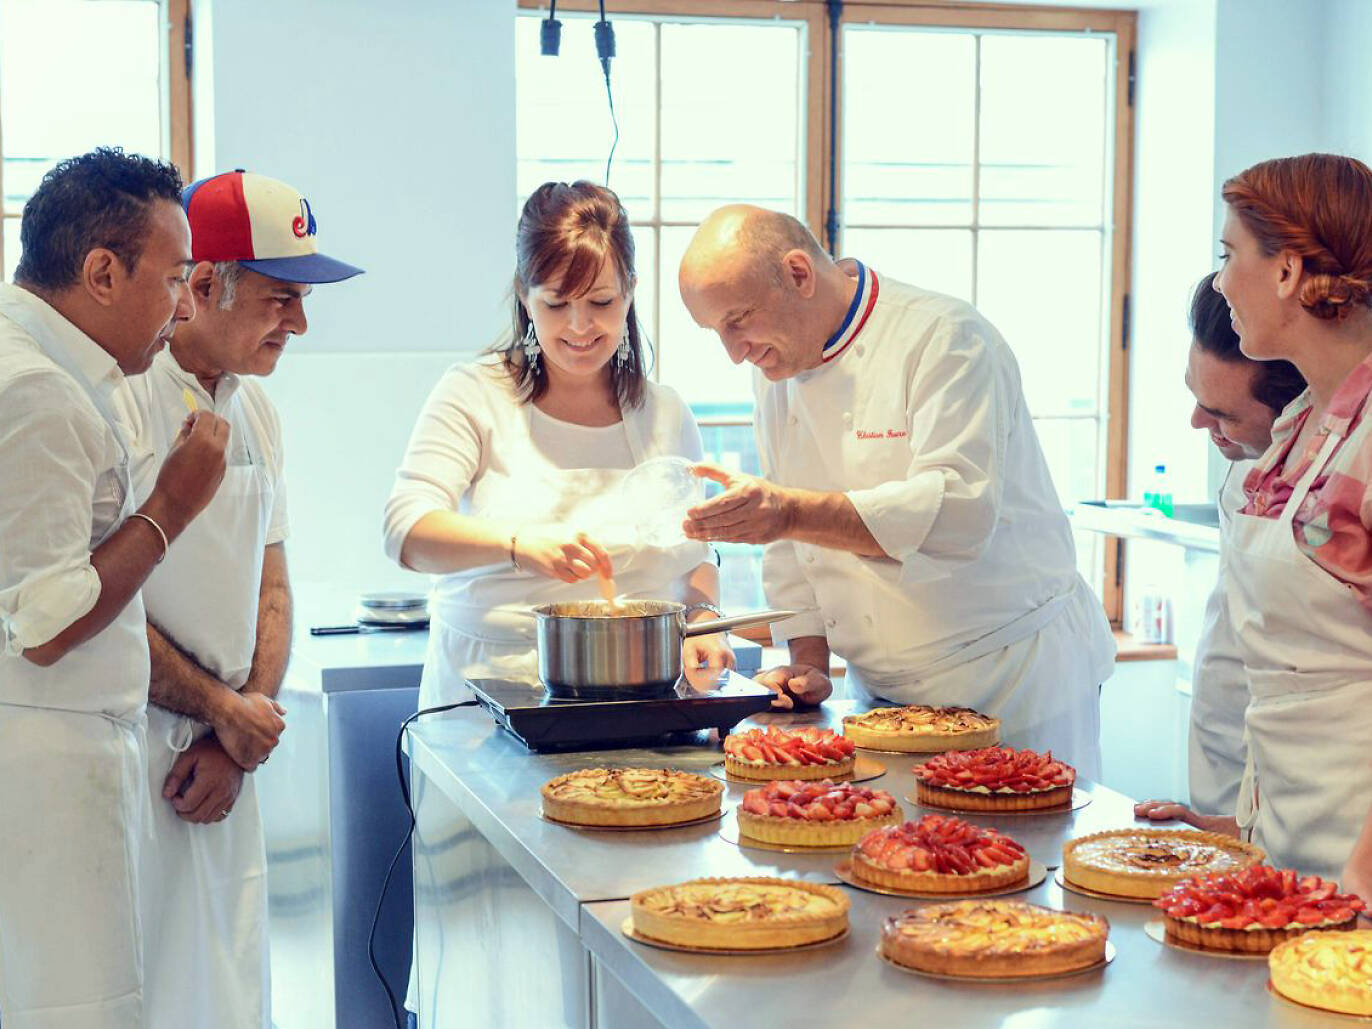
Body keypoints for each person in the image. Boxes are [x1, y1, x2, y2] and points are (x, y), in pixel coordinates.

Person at [677, 206, 1116, 777]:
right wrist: (809, 662)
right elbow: (793, 550)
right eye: (716, 332)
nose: (735, 352)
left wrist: (786, 512)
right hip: (884, 697)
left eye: (739, 320)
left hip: (1009, 673)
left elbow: (958, 512)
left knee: (1023, 831)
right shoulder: (776, 375)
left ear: (799, 274)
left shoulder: (945, 338)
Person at [113, 170, 363, 1028]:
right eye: (281, 298)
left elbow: (274, 584)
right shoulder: (125, 402)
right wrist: (223, 710)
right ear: (204, 282)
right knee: (141, 990)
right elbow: (102, 599)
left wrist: (240, 729)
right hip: (137, 755)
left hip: (225, 760)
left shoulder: (257, 413)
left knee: (229, 993)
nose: (299, 323)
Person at [0, 148, 227, 1028]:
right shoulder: (40, 393)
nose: (183, 306)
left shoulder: (39, 361)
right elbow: (45, 624)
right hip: (44, 763)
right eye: (173, 279)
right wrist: (173, 505)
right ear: (102, 273)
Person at [384, 180, 734, 707]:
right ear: (525, 297)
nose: (580, 326)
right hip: (486, 689)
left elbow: (692, 555)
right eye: (555, 303)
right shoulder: (475, 394)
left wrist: (705, 621)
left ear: (630, 291)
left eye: (601, 301)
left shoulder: (664, 413)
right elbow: (406, 533)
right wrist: (517, 543)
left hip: (639, 691)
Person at [1189, 153, 1372, 891]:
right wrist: (1239, 831)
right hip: (1289, 838)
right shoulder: (1300, 425)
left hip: (1356, 856)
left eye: (1229, 255)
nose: (1219, 282)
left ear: (1288, 271)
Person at [1136, 273, 1304, 828]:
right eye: (1195, 395)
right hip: (1243, 793)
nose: (1197, 422)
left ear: (1301, 411)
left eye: (1225, 415)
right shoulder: (1244, 472)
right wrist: (1228, 824)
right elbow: (1232, 661)